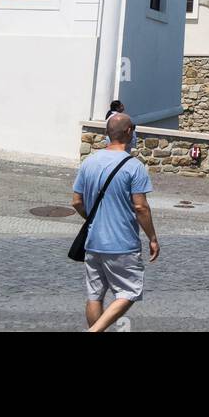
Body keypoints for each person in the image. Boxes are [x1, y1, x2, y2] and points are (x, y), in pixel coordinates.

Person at [71, 113, 159, 333]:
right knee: (129, 292)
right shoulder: (134, 166)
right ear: (129, 132)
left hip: (93, 242)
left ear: (107, 134)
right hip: (122, 243)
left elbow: (76, 202)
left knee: (94, 295)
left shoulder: (89, 162)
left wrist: (93, 218)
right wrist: (153, 238)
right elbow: (141, 207)